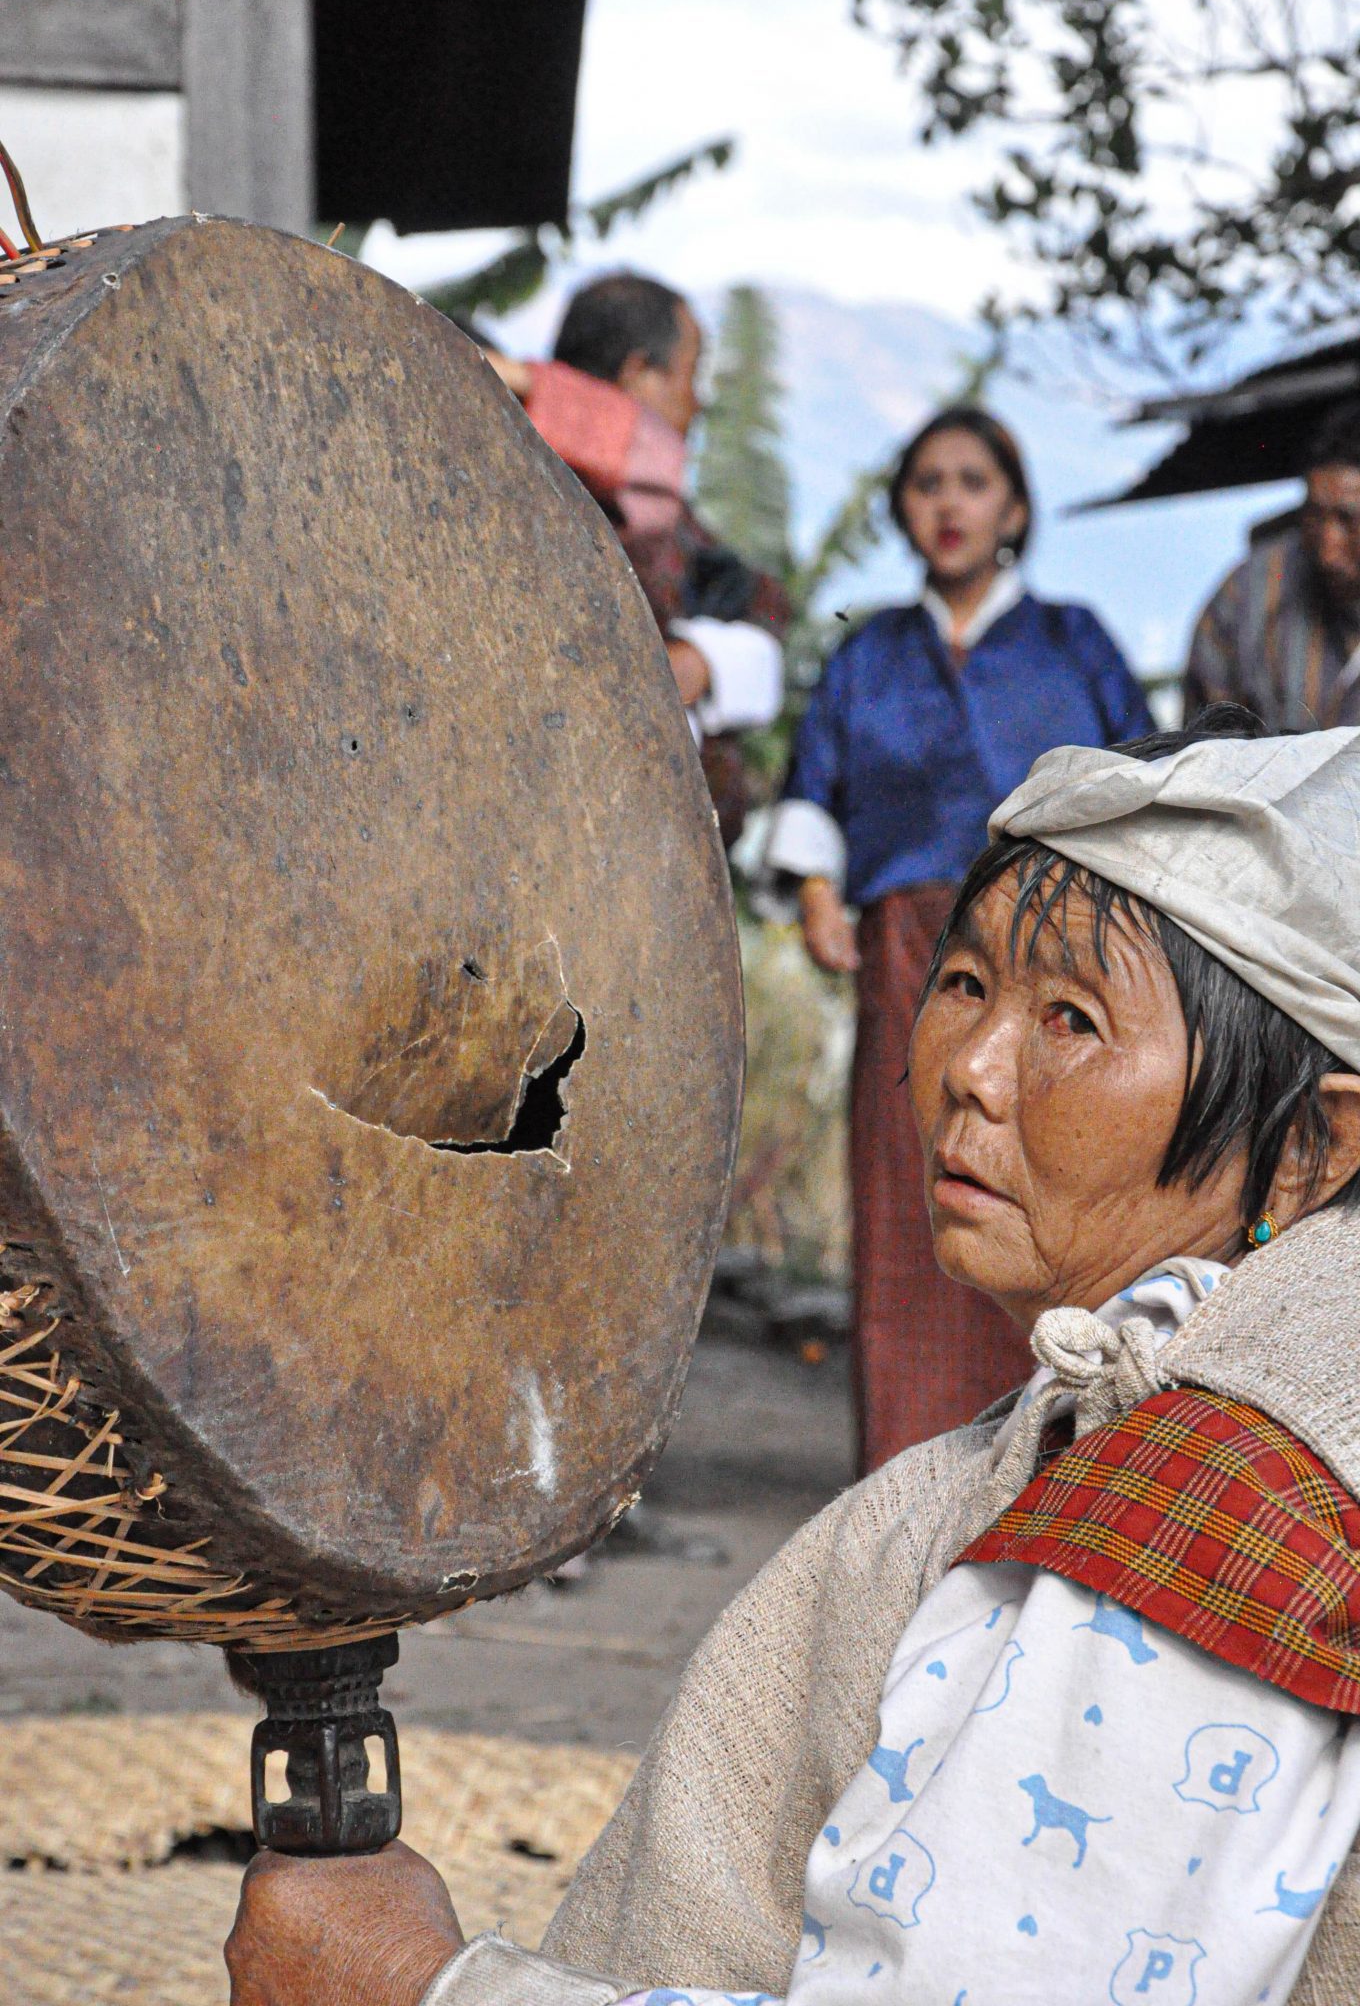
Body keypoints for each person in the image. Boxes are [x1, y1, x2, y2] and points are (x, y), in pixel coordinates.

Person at [228, 708, 1360, 2006]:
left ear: (1312, 1149)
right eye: (968, 984)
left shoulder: (1220, 1494)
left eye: (1073, 1021)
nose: (973, 1071)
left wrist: (421, 1989)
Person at [763, 406, 1154, 1471]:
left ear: (1014, 507)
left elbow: (1138, 785)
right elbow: (814, 789)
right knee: (911, 1204)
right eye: (927, 482)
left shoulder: (1072, 640)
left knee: (1046, 1187)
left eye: (972, 481)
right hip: (909, 958)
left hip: (1060, 956)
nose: (948, 502)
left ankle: (1050, 1463)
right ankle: (906, 1473)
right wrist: (816, 896)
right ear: (902, 506)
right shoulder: (870, 653)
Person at [487, 273, 787, 846]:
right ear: (637, 374)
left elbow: (765, 606)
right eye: (687, 376)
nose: (696, 403)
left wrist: (704, 660)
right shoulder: (531, 478)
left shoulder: (666, 517)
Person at [1184, 400, 1360, 730]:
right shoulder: (1245, 599)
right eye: (1314, 516)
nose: (1327, 551)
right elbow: (1201, 754)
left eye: (1349, 520)